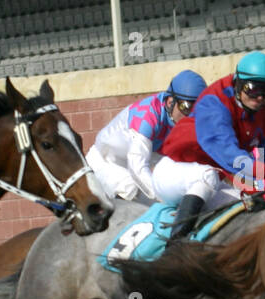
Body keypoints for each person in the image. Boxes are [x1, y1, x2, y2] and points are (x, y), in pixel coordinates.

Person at [153, 51, 265, 239]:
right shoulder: (214, 102)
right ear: (237, 83)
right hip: (173, 172)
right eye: (253, 89)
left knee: (247, 204)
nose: (260, 98)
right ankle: (175, 247)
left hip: (214, 178)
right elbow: (230, 155)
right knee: (206, 176)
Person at [85, 69, 207, 204]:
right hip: (106, 162)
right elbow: (137, 167)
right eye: (187, 107)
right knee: (133, 190)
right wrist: (166, 200)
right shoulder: (148, 116)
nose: (192, 116)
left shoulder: (182, 117)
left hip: (136, 159)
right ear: (170, 102)